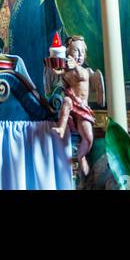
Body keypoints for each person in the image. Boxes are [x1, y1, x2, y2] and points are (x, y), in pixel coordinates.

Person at [51, 35, 96, 176]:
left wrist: (74, 65)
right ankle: (61, 127)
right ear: (68, 53)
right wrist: (56, 68)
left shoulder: (85, 71)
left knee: (88, 138)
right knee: (67, 101)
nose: (80, 55)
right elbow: (58, 76)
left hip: (82, 108)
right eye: (76, 51)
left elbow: (80, 74)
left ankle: (81, 157)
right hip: (71, 106)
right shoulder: (67, 72)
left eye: (82, 52)